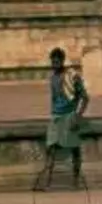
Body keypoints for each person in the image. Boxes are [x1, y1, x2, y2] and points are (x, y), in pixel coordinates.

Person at [36, 48, 90, 191]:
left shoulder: (72, 76)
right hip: (56, 116)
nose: (54, 64)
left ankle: (75, 182)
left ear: (62, 61)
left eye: (57, 61)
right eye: (53, 62)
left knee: (74, 150)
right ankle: (46, 182)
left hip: (70, 115)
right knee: (51, 150)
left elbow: (85, 97)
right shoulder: (53, 78)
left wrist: (77, 117)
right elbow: (54, 99)